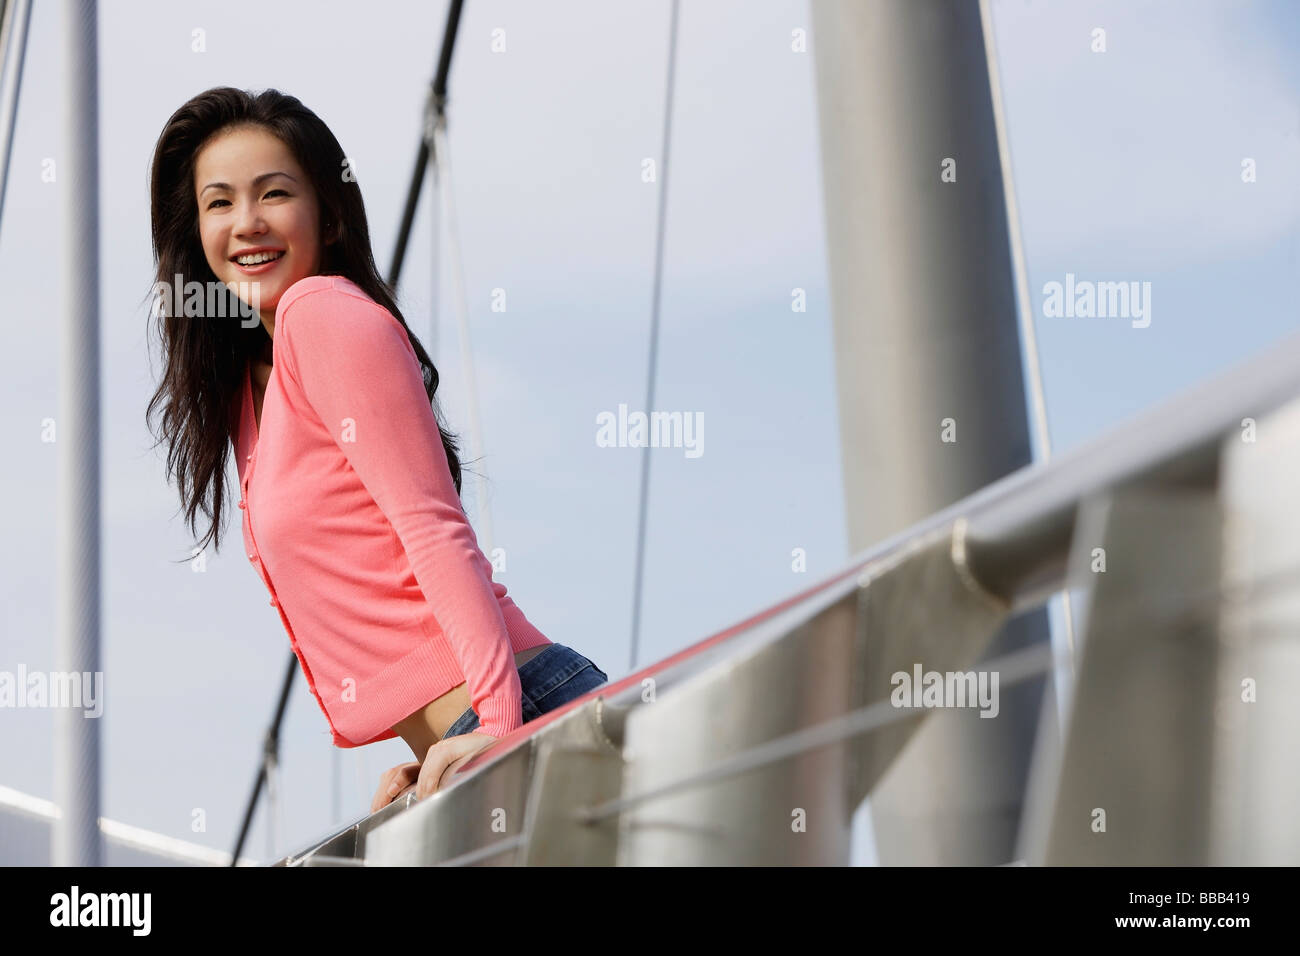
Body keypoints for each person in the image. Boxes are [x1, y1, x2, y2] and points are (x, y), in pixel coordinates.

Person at [144, 87, 608, 814]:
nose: (248, 222)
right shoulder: (249, 395)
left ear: (329, 215)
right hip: (470, 735)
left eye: (273, 194)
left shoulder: (318, 313)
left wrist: (494, 724)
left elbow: (431, 526)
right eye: (220, 203)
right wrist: (426, 753)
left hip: (522, 710)